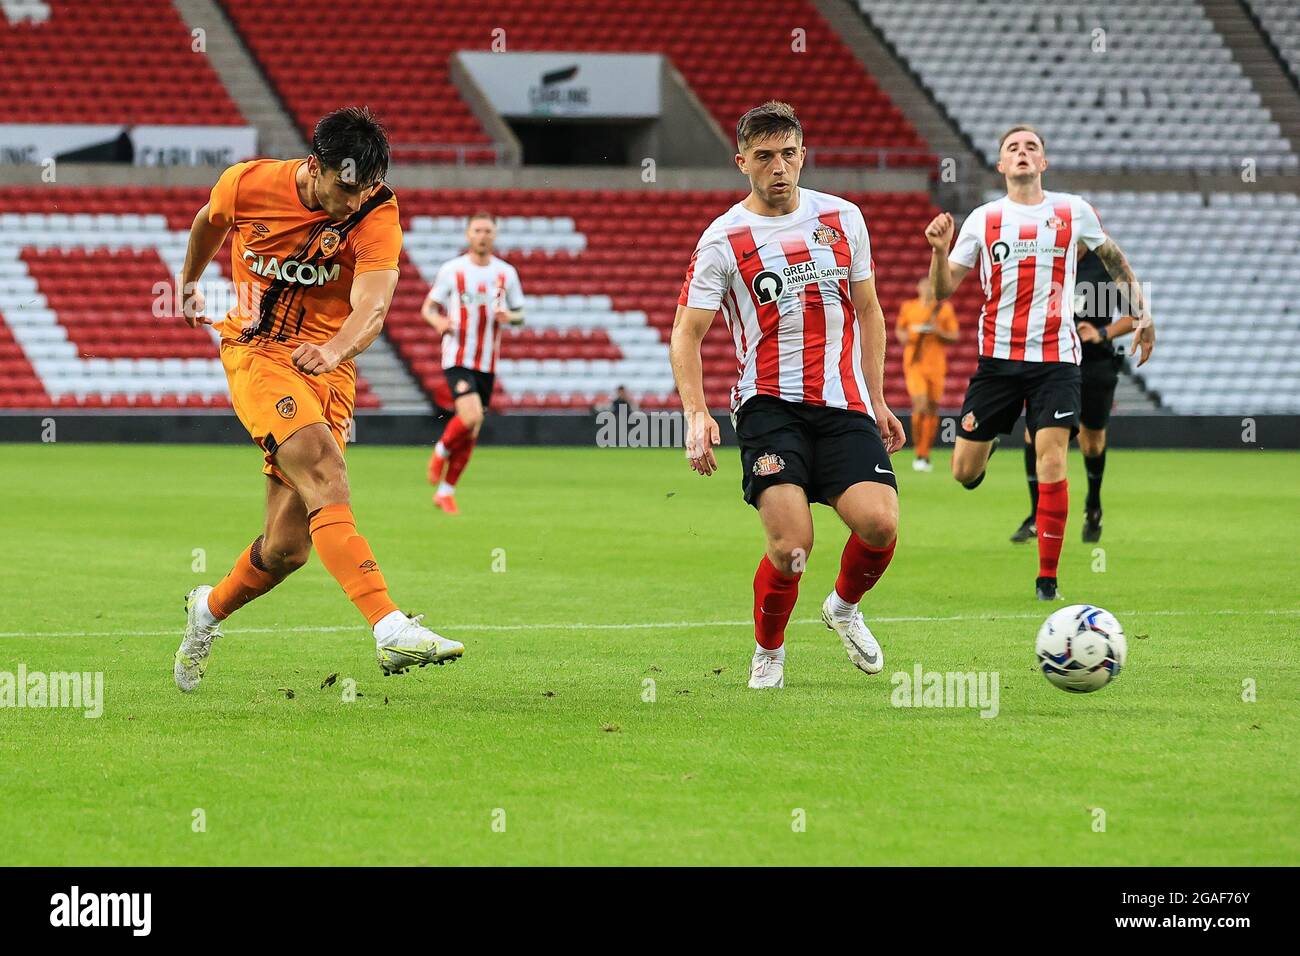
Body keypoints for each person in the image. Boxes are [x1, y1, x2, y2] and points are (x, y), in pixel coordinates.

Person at [173, 106, 464, 691]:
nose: (354, 203)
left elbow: (374, 305)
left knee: (287, 549)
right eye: (345, 188)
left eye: (366, 190)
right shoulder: (248, 183)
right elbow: (210, 220)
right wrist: (188, 281)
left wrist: (335, 350)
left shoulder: (377, 212)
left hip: (328, 366)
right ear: (315, 167)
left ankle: (206, 610)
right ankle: (389, 628)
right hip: (258, 352)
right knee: (327, 471)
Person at [671, 101, 905, 690]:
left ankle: (844, 607)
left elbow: (870, 309)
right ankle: (769, 651)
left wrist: (877, 399)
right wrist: (695, 413)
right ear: (743, 161)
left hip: (843, 401)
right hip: (768, 406)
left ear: (804, 155)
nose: (780, 167)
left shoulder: (843, 218)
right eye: (766, 157)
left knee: (879, 525)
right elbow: (687, 331)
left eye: (789, 154)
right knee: (791, 545)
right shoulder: (723, 239)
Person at [924, 124, 1154, 600]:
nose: (1023, 153)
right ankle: (985, 449)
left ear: (1043, 163)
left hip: (1057, 361)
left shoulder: (1072, 210)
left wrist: (1143, 314)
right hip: (997, 362)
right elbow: (945, 289)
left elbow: (1114, 259)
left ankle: (1047, 579)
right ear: (1002, 166)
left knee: (1051, 460)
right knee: (964, 472)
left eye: (1032, 147)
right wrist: (938, 252)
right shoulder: (984, 219)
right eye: (1013, 148)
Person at [1011, 246, 1139, 543]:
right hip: (1051, 365)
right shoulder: (1047, 261)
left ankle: (1093, 506)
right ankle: (1036, 515)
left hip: (1094, 364)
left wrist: (1102, 333)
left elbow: (1135, 316)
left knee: (1091, 443)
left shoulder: (1106, 267)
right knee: (1034, 435)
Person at [422, 212, 524, 514]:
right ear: (468, 234)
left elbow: (521, 315)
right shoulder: (453, 270)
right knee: (470, 416)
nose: (482, 235)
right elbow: (428, 308)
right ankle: (440, 451)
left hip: (487, 362)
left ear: (495, 235)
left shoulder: (507, 273)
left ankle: (446, 491)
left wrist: (511, 318)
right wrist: (439, 321)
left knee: (474, 426)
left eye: (488, 230)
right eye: (477, 230)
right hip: (458, 356)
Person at [895, 276, 959, 471]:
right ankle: (918, 450)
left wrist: (937, 331)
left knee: (932, 408)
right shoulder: (909, 307)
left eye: (931, 287)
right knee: (920, 405)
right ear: (918, 288)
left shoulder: (944, 309)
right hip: (914, 363)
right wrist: (908, 336)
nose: (928, 290)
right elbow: (900, 331)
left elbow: (954, 336)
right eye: (925, 286)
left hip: (937, 365)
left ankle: (924, 453)